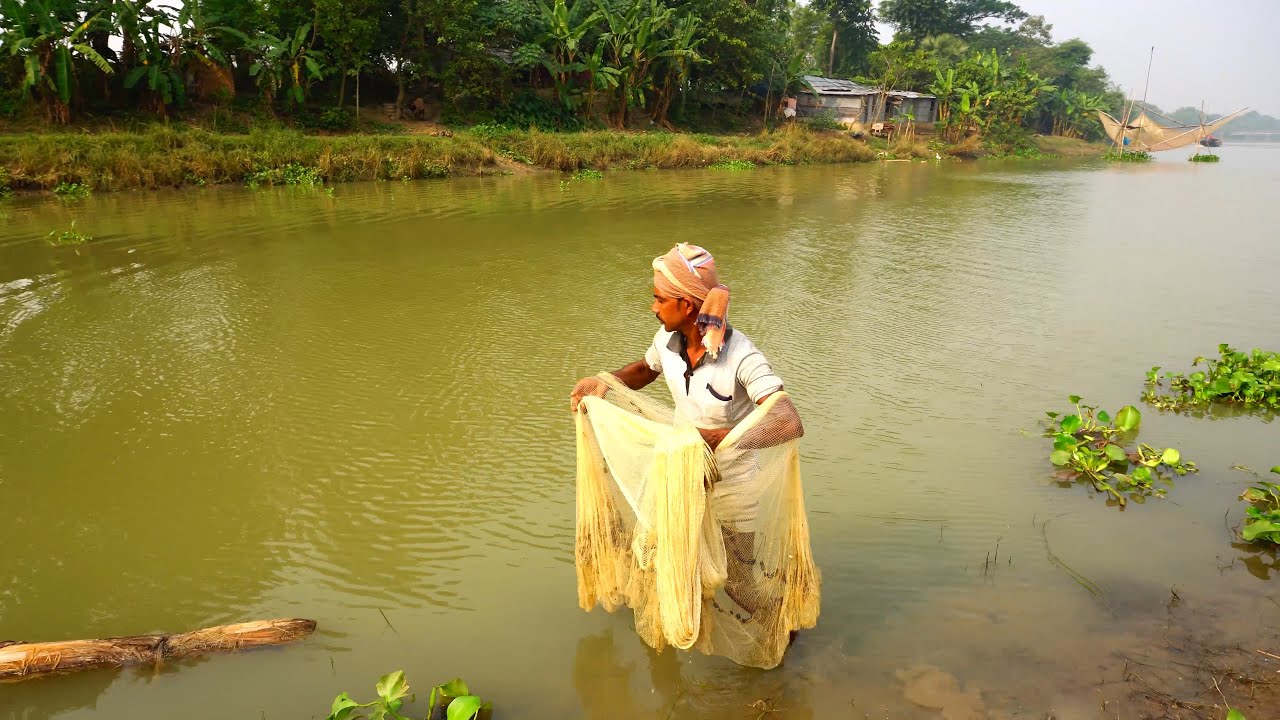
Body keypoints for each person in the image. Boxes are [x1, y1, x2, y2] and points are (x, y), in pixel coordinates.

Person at [569, 243, 802, 448]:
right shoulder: (665, 338)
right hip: (681, 465)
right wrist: (605, 381)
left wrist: (716, 439)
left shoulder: (742, 356)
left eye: (660, 299)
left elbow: (788, 423)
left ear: (687, 306)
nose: (654, 308)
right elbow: (646, 369)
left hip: (732, 480)